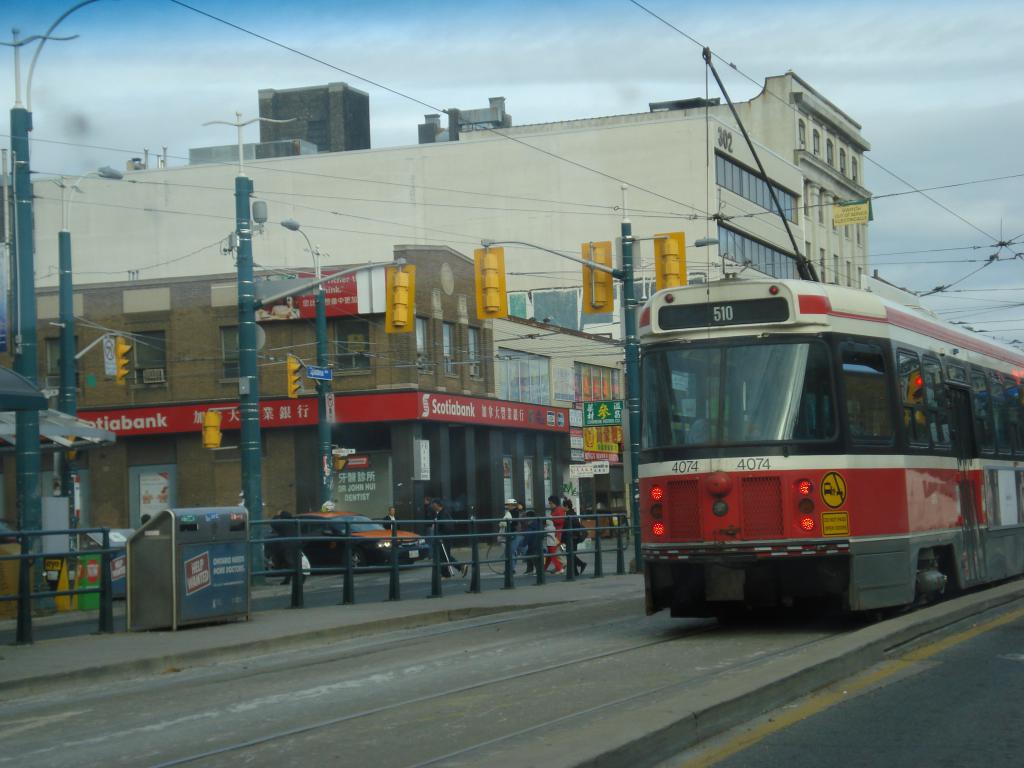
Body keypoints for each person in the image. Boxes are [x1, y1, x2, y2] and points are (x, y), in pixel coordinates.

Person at [428, 498, 467, 577]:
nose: (432, 507)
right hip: (442, 538)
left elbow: (446, 526)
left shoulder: (443, 513)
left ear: (437, 505)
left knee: (443, 556)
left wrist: (436, 527)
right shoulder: (440, 513)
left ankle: (459, 567)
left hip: (443, 538)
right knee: (441, 556)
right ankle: (446, 573)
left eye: (433, 505)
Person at [268, 509, 303, 585]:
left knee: (289, 563)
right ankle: (292, 578)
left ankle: (292, 578)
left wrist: (277, 515)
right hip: (296, 542)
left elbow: (273, 523)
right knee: (294, 562)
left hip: (287, 544)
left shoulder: (283, 523)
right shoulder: (293, 522)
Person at [563, 498, 587, 576]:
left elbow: (567, 528)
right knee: (571, 554)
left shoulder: (569, 515)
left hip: (572, 538)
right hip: (574, 537)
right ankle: (575, 571)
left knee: (570, 554)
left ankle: (581, 564)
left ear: (566, 506)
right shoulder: (572, 514)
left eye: (563, 506)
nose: (562, 508)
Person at [544, 495, 565, 574]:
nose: (549, 505)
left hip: (556, 534)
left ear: (554, 503)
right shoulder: (556, 510)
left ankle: (559, 568)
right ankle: (543, 569)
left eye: (550, 503)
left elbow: (560, 521)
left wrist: (550, 519)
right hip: (555, 534)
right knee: (550, 552)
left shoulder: (558, 510)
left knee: (551, 552)